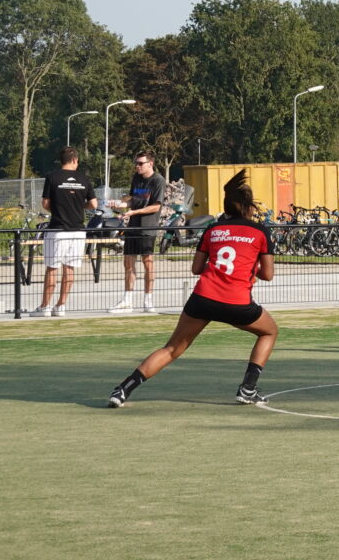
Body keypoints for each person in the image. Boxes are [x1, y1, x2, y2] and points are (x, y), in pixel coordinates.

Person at [107, 170, 278, 407]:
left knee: (172, 349)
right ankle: (248, 388)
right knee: (269, 332)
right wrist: (249, 268)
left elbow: (197, 269)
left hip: (203, 298)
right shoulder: (260, 231)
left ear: (227, 205)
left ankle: (122, 390)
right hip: (236, 302)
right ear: (249, 206)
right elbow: (267, 275)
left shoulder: (212, 229)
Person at [32, 147, 97, 317]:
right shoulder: (84, 178)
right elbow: (94, 204)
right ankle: (61, 305)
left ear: (62, 160)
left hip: (57, 230)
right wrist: (79, 207)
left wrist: (59, 210)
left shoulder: (52, 177)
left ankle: (45, 306)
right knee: (70, 269)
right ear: (75, 160)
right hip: (77, 231)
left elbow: (45, 203)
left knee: (52, 268)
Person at [111, 152, 166, 313]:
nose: (137, 166)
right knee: (128, 262)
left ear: (150, 163)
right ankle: (127, 300)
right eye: (136, 163)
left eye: (140, 163)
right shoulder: (136, 178)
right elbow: (132, 199)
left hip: (148, 227)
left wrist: (133, 213)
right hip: (132, 227)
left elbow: (156, 206)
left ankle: (148, 300)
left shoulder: (158, 181)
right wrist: (119, 204)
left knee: (147, 263)